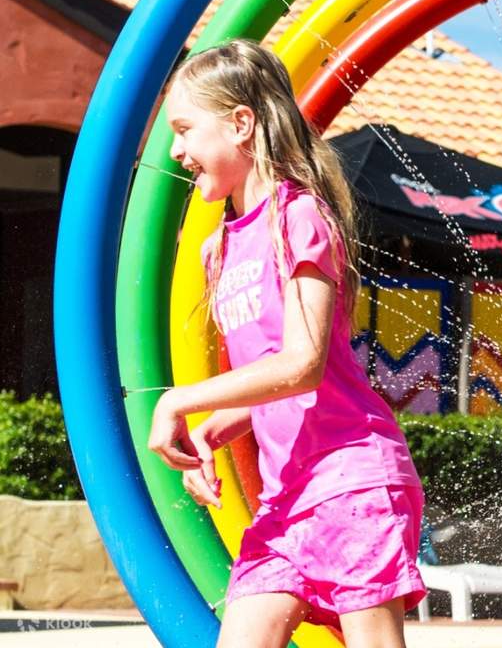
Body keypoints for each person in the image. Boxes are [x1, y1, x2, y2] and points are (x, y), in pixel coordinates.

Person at [147, 39, 425, 648]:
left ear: (241, 124)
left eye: (185, 130)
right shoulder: (219, 246)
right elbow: (276, 378)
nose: (176, 150)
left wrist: (180, 401)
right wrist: (218, 427)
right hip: (286, 496)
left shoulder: (298, 217)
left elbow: (302, 363)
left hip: (351, 480)